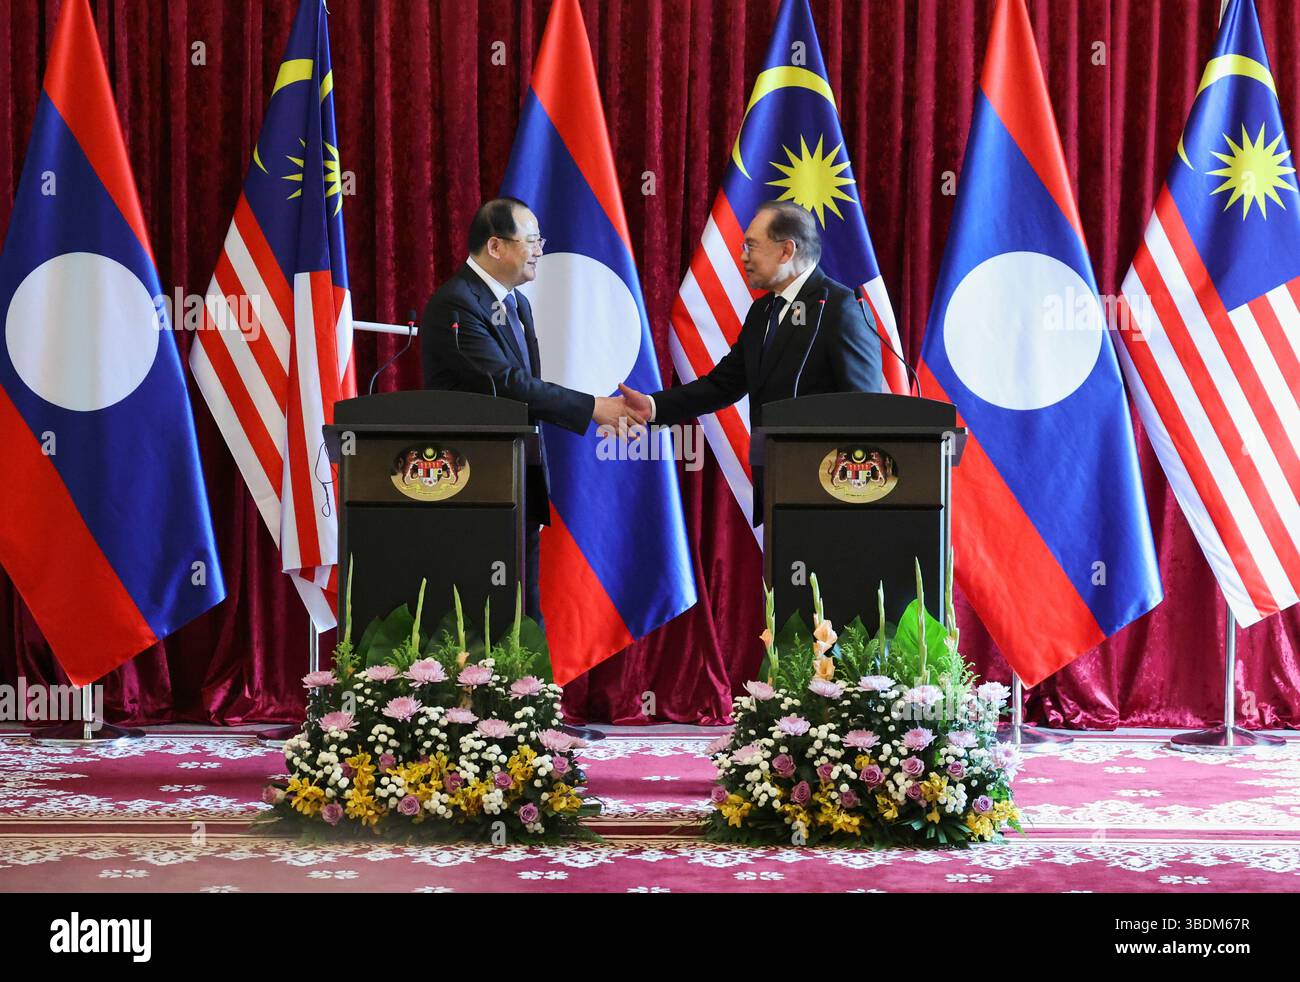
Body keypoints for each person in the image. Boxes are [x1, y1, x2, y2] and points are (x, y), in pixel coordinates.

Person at [421, 196, 641, 629]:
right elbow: (506, 385)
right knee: (484, 617)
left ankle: (525, 696)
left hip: (517, 480)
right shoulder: (456, 304)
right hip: (474, 485)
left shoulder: (516, 303)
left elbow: (524, 394)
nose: (540, 249)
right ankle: (484, 696)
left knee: (524, 612)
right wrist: (592, 407)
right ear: (497, 246)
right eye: (533, 240)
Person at [620, 200, 883, 523]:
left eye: (752, 246)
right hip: (778, 488)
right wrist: (652, 407)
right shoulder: (763, 312)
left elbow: (865, 409)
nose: (743, 256)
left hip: (830, 496)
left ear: (786, 251)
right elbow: (723, 385)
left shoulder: (841, 307)